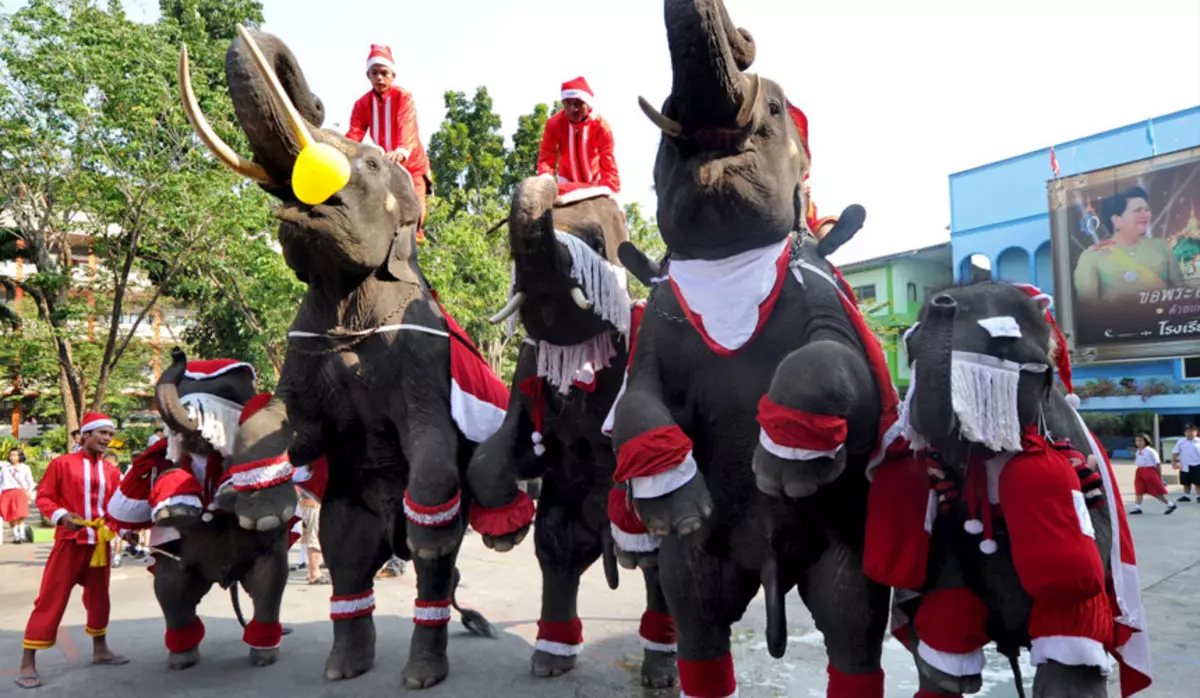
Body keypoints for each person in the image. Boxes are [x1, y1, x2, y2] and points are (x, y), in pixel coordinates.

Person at [17, 412, 128, 689]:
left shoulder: (112, 471)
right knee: (51, 599)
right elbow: (44, 497)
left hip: (99, 544)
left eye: (110, 435)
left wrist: (122, 530)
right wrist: (62, 516)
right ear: (85, 435)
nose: (107, 439)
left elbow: (115, 508)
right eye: (101, 433)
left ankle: (100, 650)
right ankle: (27, 662)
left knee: (99, 598)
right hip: (69, 543)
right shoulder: (61, 464)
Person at [345, 44, 432, 235]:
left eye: (384, 73)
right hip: (386, 167)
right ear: (368, 75)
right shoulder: (362, 104)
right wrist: (344, 153)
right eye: (374, 73)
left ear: (393, 75)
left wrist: (402, 150)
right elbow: (354, 134)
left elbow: (406, 125)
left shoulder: (403, 97)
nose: (379, 78)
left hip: (412, 166)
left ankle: (410, 257)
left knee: (416, 216)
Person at [1073, 186, 1182, 303]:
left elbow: (1181, 289)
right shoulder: (1092, 256)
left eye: (1147, 210)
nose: (1145, 214)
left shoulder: (1161, 246)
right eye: (1138, 210)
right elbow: (1087, 304)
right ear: (1116, 220)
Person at [536, 77, 620, 195]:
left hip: (595, 186)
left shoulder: (601, 127)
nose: (573, 109)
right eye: (568, 104)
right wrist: (545, 180)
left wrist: (611, 192)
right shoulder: (554, 124)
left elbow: (608, 164)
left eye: (578, 104)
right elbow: (547, 155)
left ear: (588, 104)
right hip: (565, 186)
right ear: (562, 104)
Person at [1129, 433, 1176, 515]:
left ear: (1146, 441)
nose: (1138, 443)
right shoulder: (1138, 451)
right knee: (1139, 489)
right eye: (1137, 441)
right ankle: (1137, 507)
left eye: (1141, 441)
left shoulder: (1151, 451)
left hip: (1150, 471)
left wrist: (1159, 476)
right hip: (1140, 471)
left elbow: (1158, 463)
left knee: (1154, 491)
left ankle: (1170, 504)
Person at [1, 447, 36, 544]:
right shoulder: (5, 468)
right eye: (11, 455)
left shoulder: (25, 468)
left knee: (20, 514)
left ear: (20, 456)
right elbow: (1, 481)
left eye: (15, 455)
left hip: (20, 493)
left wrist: (29, 492)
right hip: (7, 493)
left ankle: (21, 534)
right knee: (10, 515)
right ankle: (16, 535)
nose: (12, 457)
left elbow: (30, 482)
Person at [297, 488, 330, 585]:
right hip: (313, 503)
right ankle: (314, 573)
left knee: (311, 535)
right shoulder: (312, 473)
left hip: (309, 502)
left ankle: (312, 571)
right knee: (315, 537)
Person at [1171, 424, 1200, 502]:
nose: (1189, 433)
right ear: (1185, 433)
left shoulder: (1199, 441)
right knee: (1186, 482)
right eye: (1187, 432)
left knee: (1198, 483)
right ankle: (1186, 496)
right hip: (1185, 466)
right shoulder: (1181, 442)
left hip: (1197, 465)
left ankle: (1199, 496)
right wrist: (1173, 462)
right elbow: (1174, 452)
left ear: (1196, 432)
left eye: (1191, 431)